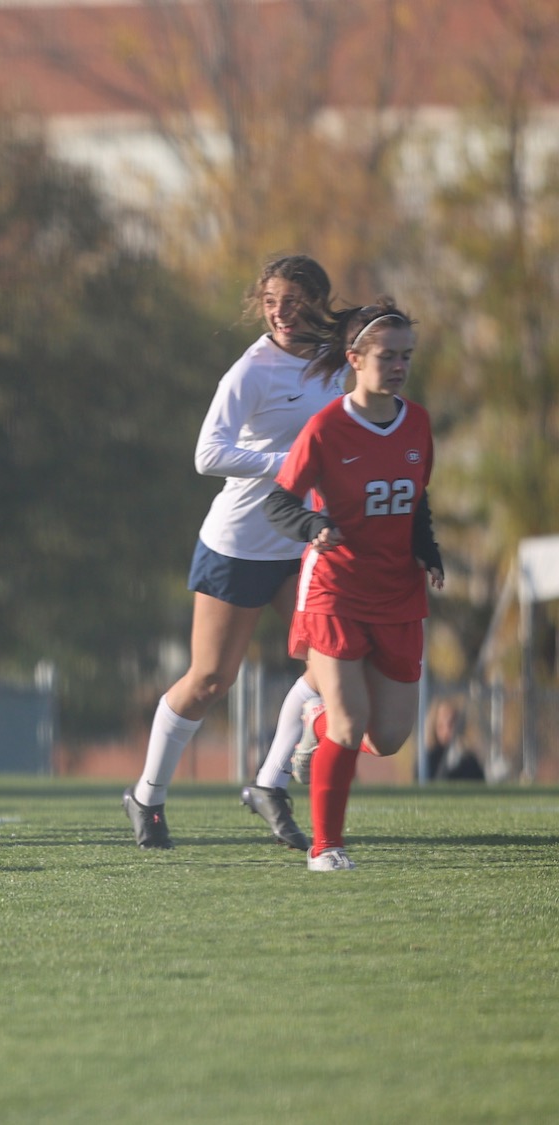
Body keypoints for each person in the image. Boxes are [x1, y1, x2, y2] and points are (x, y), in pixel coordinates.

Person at [124, 255, 341, 851]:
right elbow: (208, 454)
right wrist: (289, 465)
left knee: (329, 665)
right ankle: (147, 795)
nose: (282, 313)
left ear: (320, 302)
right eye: (273, 302)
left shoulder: (336, 363)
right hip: (240, 541)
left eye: (295, 302)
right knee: (212, 678)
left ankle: (269, 783)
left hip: (303, 541)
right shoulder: (251, 370)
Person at [263, 300, 440, 870]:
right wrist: (314, 526)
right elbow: (279, 502)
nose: (398, 366)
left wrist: (428, 551)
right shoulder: (327, 428)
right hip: (334, 590)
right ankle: (325, 848)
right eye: (387, 356)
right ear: (355, 359)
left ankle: (314, 723)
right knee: (349, 722)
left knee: (387, 738)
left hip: (398, 591)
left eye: (406, 356)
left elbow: (417, 500)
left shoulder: (418, 422)